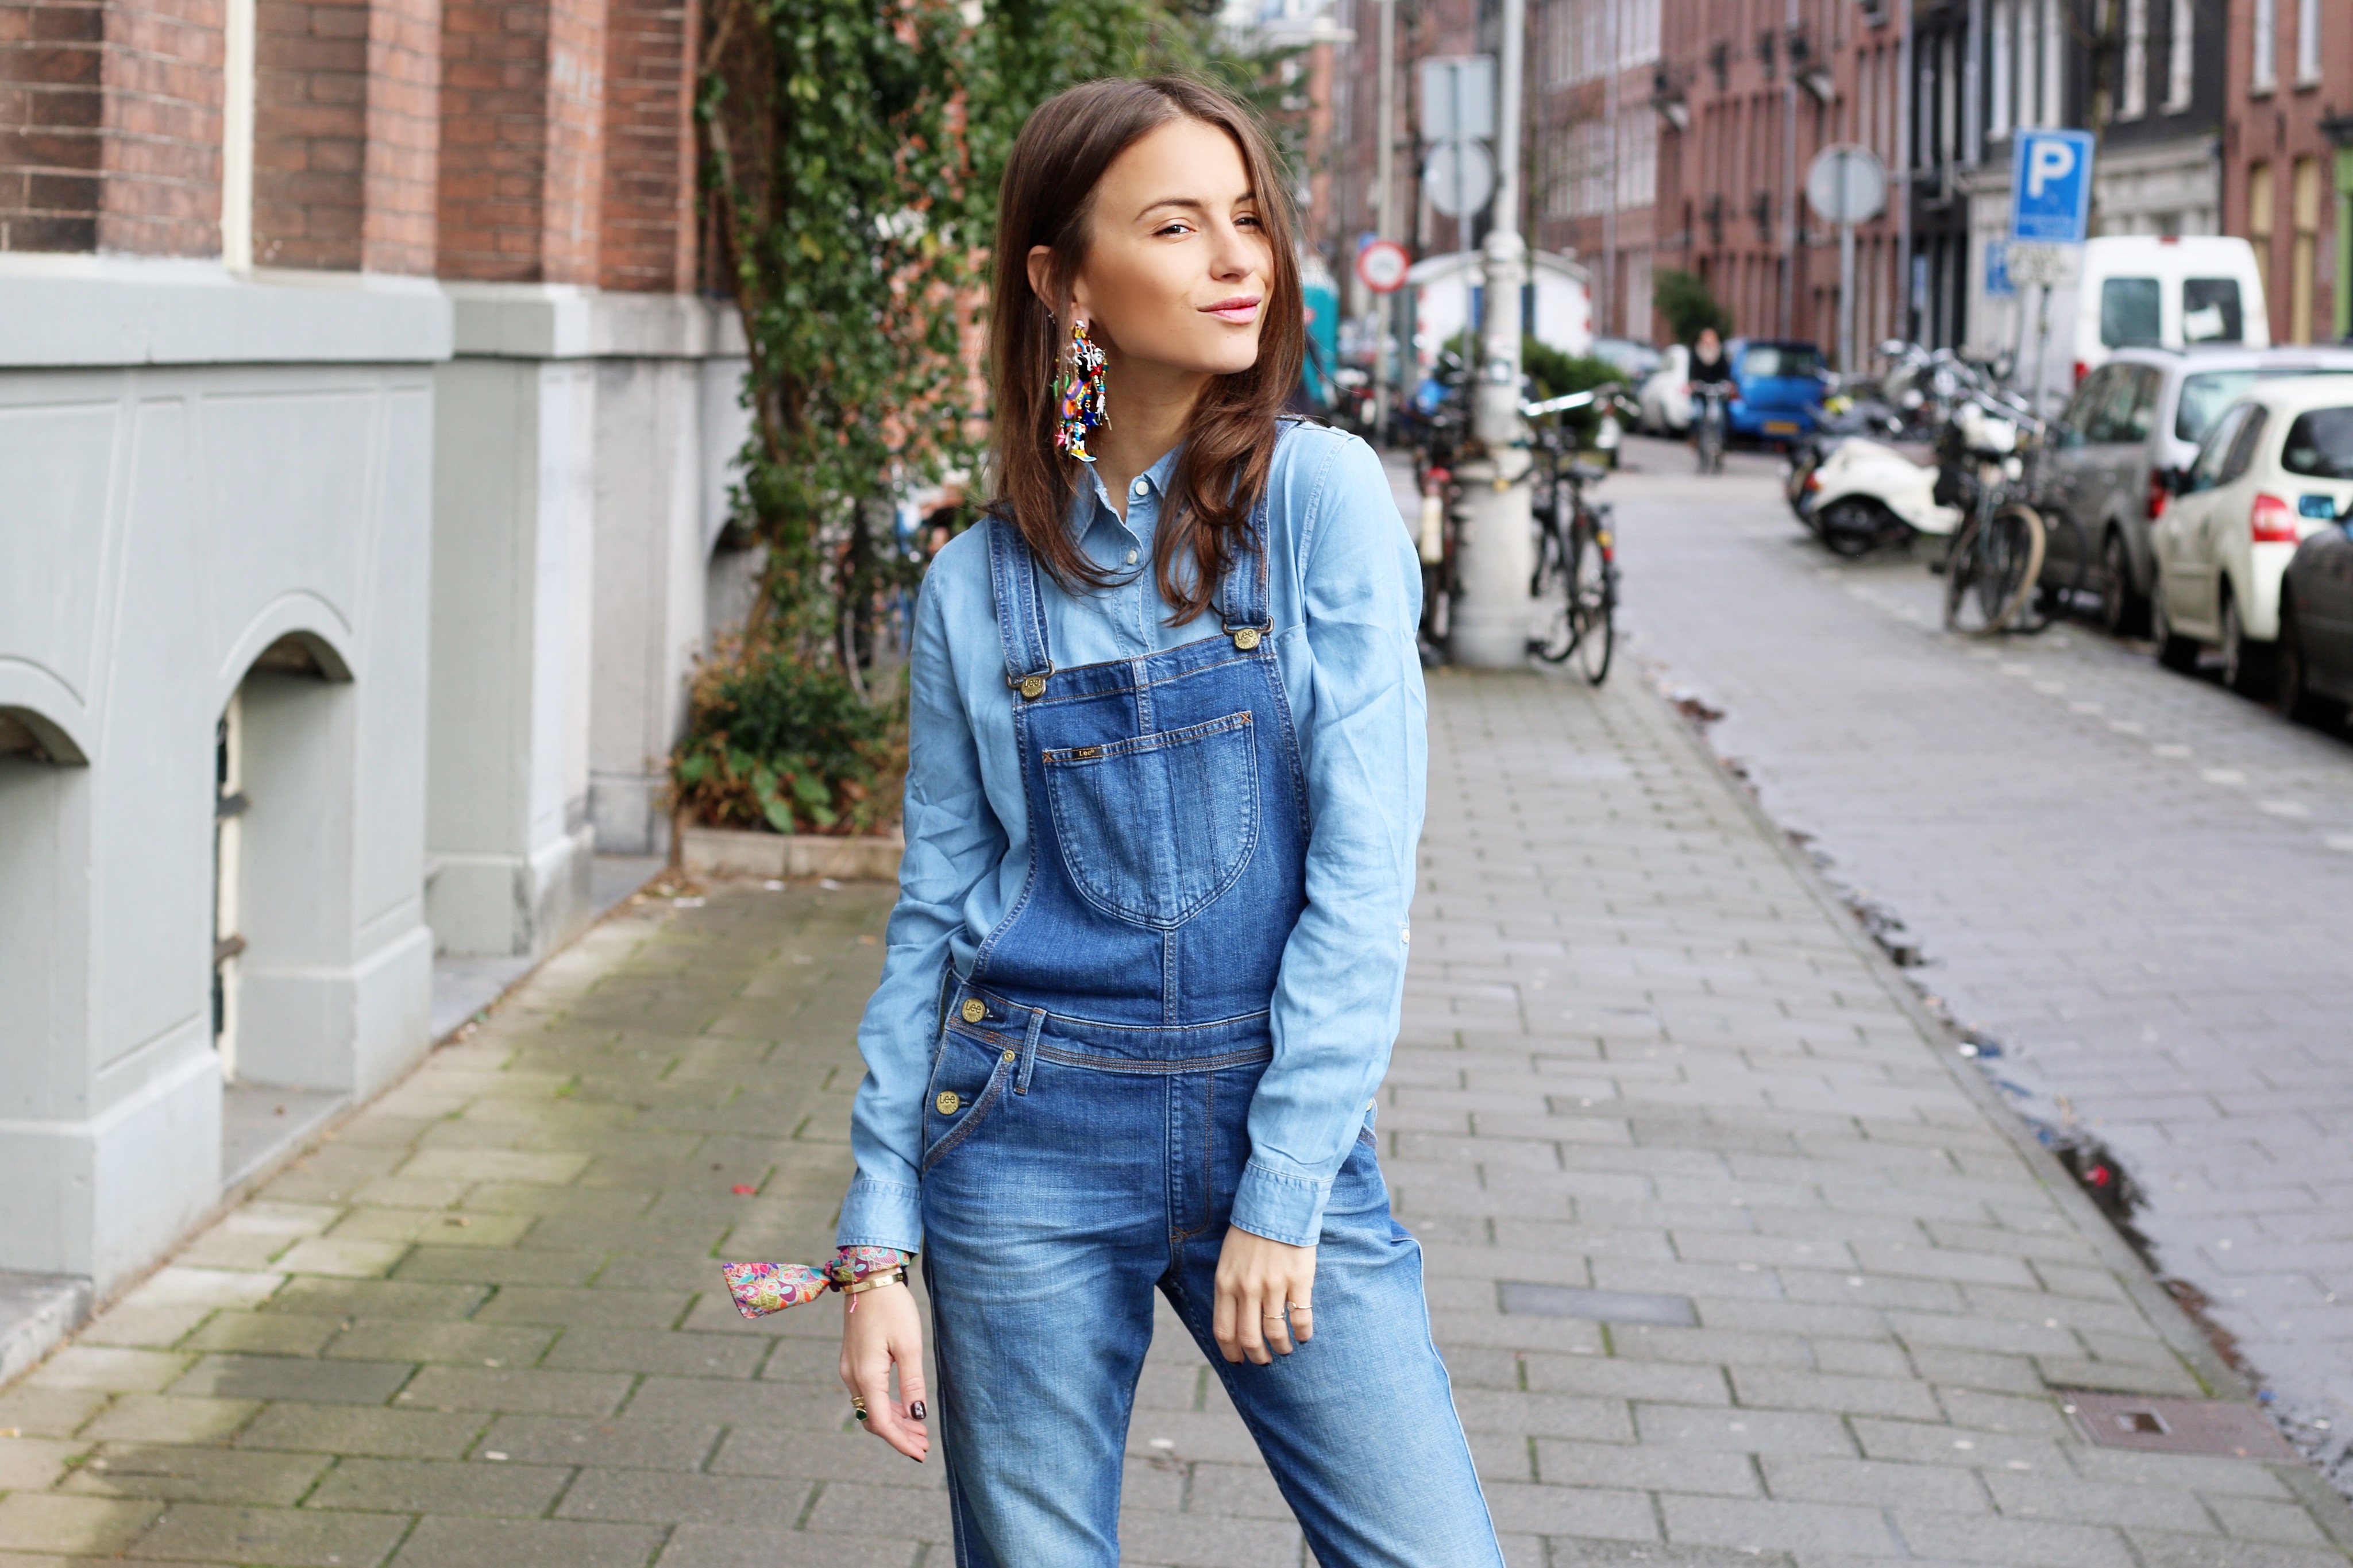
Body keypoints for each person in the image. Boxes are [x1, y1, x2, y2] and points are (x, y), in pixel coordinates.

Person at [827, 76, 1505, 1566]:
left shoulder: (1317, 500)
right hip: (1023, 1136)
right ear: (1065, 282)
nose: (1238, 258)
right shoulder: (975, 587)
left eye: (1249, 218)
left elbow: (1363, 877)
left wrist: (1286, 1187)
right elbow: (936, 914)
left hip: (1273, 1118)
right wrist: (876, 1244)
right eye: (1179, 225)